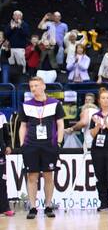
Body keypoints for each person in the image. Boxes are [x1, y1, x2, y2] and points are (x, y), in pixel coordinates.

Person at [18, 75, 63, 218]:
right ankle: (33, 207)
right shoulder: (26, 105)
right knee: (32, 176)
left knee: (49, 175)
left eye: (36, 86)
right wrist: (22, 144)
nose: (33, 89)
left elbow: (60, 124)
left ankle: (48, 206)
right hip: (31, 145)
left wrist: (59, 142)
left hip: (49, 145)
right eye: (31, 86)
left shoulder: (55, 103)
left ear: (43, 86)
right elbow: (23, 125)